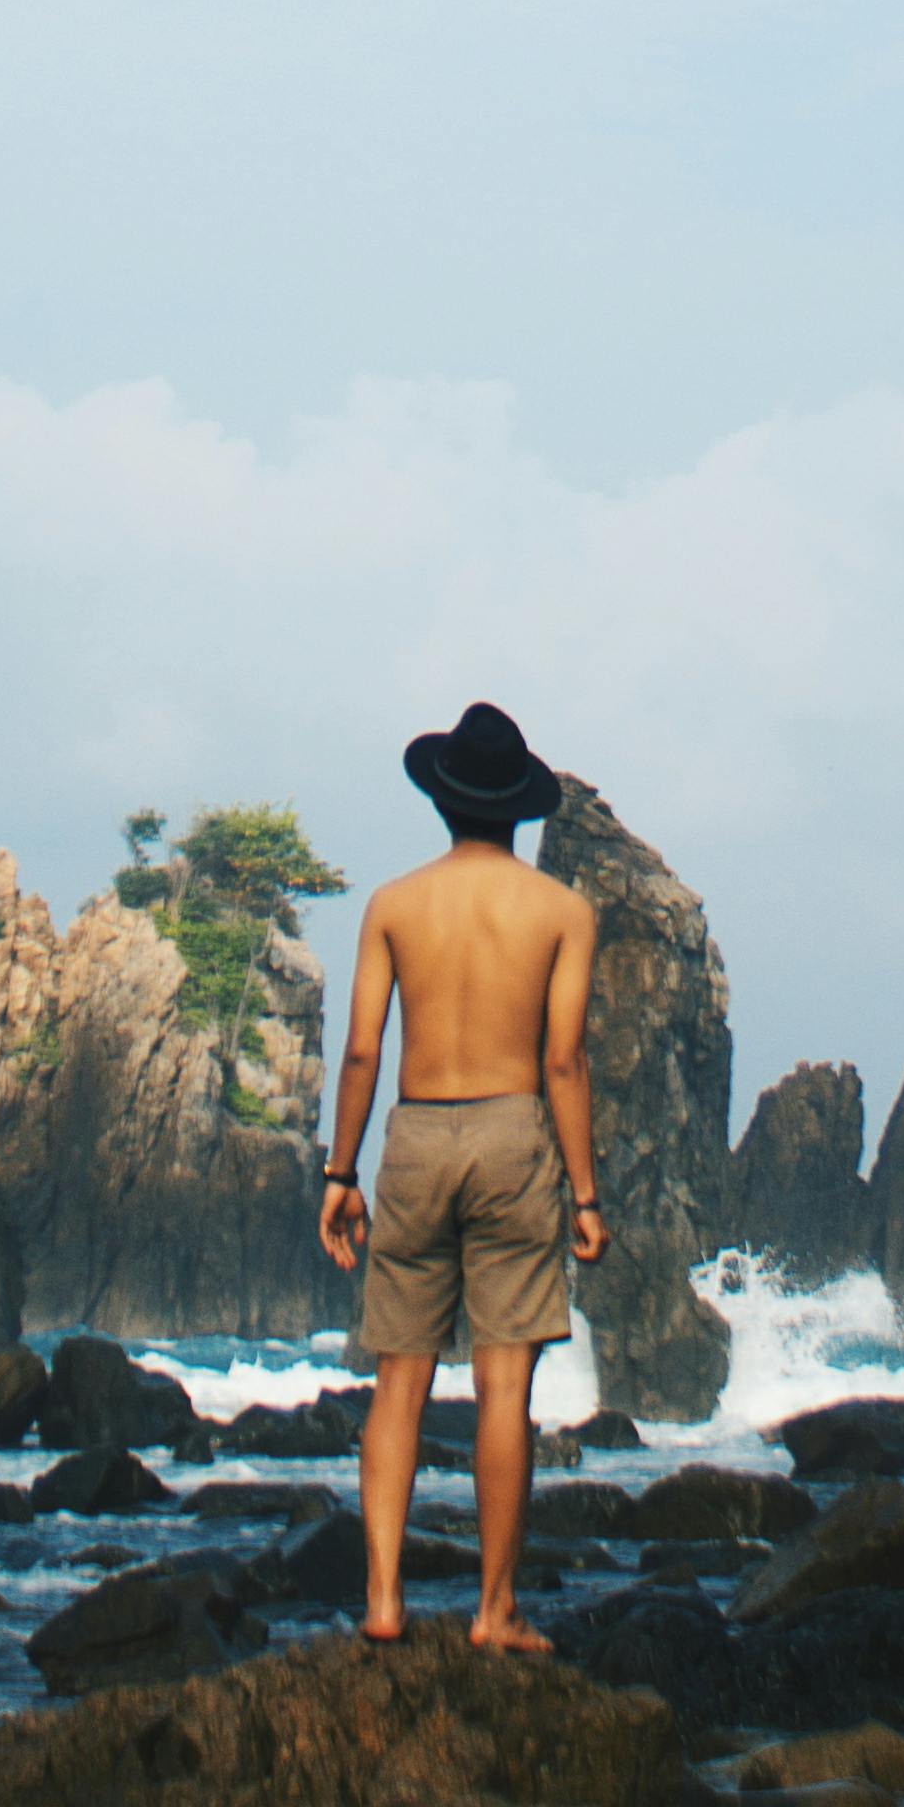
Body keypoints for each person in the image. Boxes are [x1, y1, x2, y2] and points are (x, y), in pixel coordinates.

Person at [316, 699, 605, 1652]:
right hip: (515, 1133)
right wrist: (586, 1192)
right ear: (518, 811)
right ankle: (494, 1610)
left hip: (416, 1135)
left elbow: (362, 1050)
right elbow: (564, 1059)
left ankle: (386, 1602)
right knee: (502, 1386)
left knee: (397, 1379)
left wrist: (339, 1170)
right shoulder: (562, 912)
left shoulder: (394, 904)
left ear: (443, 801)